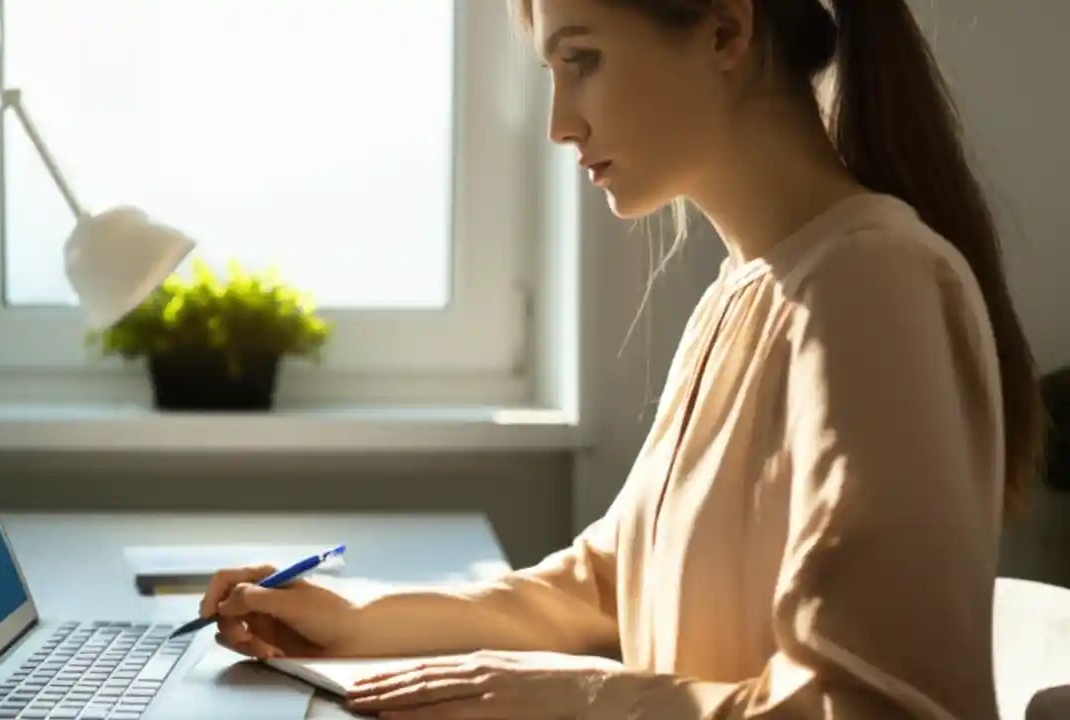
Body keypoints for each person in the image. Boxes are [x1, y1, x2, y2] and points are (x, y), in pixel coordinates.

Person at [202, 1, 1046, 717]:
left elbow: (870, 707)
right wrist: (359, 615)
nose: (561, 124)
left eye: (584, 60)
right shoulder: (746, 289)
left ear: (724, 31)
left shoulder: (872, 282)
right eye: (553, 73)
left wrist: (578, 699)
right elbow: (613, 582)